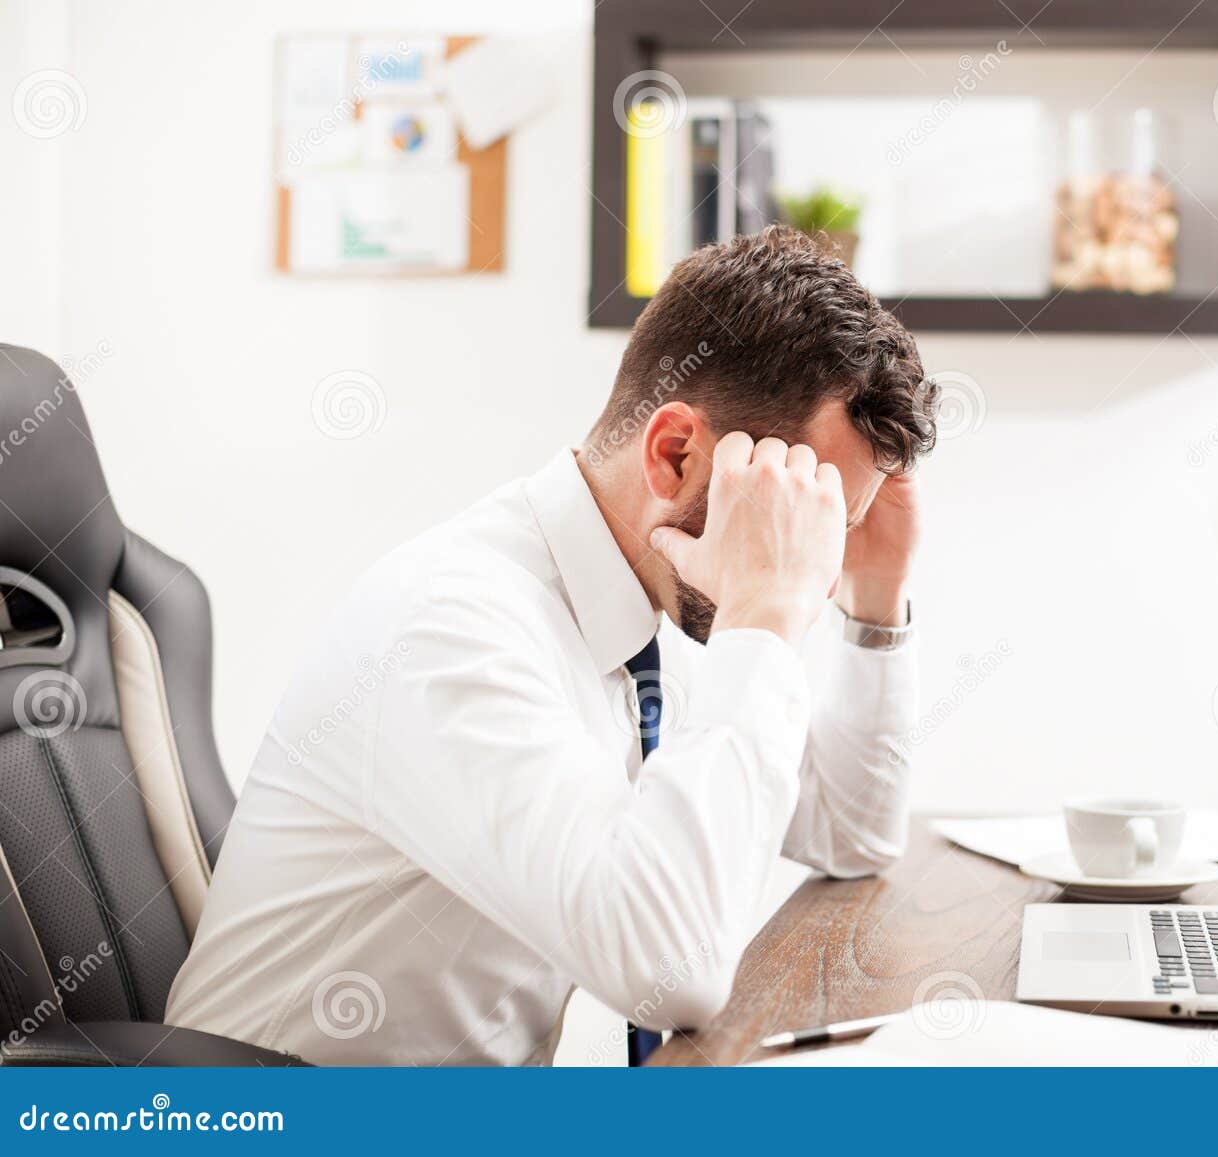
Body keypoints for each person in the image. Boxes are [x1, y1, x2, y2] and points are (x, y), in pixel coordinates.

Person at [164, 226, 941, 1065]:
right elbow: (669, 970)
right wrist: (765, 612)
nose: (809, 575)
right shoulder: (453, 625)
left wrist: (874, 591)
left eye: (826, 530)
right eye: (792, 514)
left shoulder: (653, 604)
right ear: (675, 454)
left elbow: (850, 830)